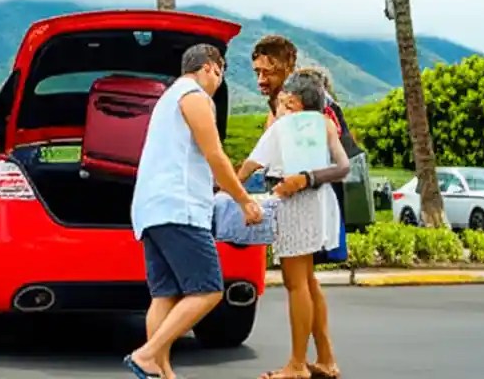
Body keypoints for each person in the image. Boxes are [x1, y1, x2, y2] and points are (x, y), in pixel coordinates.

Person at [126, 44, 264, 379]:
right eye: (221, 73)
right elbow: (214, 155)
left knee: (165, 295)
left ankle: (162, 372)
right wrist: (244, 199)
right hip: (180, 208)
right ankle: (147, 355)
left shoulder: (167, 99)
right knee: (208, 289)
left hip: (151, 209)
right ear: (210, 67)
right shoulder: (194, 96)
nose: (219, 82)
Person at [239, 70, 350, 379]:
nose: (281, 108)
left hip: (294, 205)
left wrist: (229, 190)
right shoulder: (326, 123)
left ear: (296, 102)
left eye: (285, 102)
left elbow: (251, 164)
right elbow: (343, 167)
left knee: (295, 282)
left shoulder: (284, 126)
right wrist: (310, 178)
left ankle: (297, 364)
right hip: (319, 203)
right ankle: (326, 358)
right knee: (309, 281)